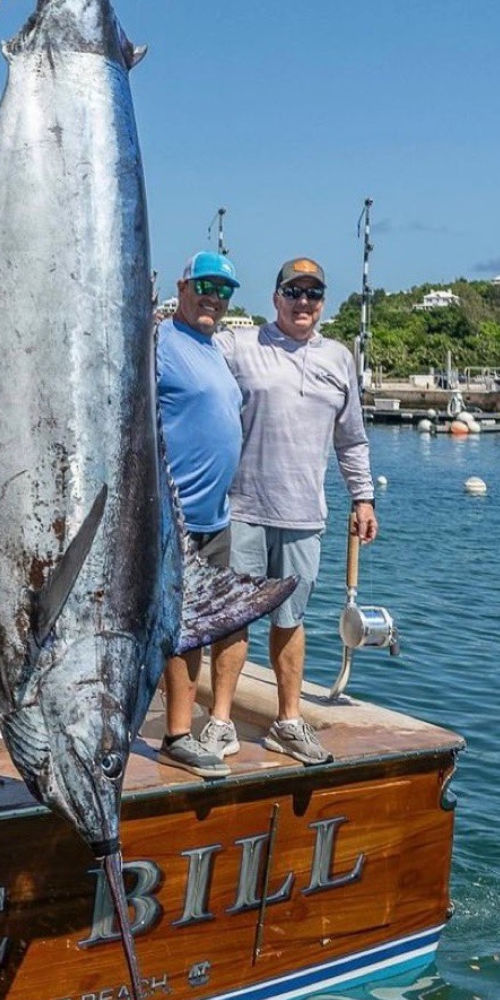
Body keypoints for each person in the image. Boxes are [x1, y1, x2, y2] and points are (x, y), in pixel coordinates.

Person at [209, 256, 378, 767]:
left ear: (322, 302)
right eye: (293, 292)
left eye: (313, 293)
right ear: (275, 297)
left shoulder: (338, 358)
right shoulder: (239, 345)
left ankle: (287, 721)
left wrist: (364, 497)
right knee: (232, 618)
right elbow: (187, 361)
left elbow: (351, 440)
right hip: (241, 508)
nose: (303, 302)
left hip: (305, 514)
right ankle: (219, 723)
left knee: (290, 619)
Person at [156, 251, 244, 781]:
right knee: (182, 627)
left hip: (216, 516)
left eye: (225, 290)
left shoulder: (212, 348)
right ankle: (176, 735)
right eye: (206, 285)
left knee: (216, 620)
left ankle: (206, 724)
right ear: (183, 284)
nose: (214, 296)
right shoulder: (160, 341)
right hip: (175, 515)